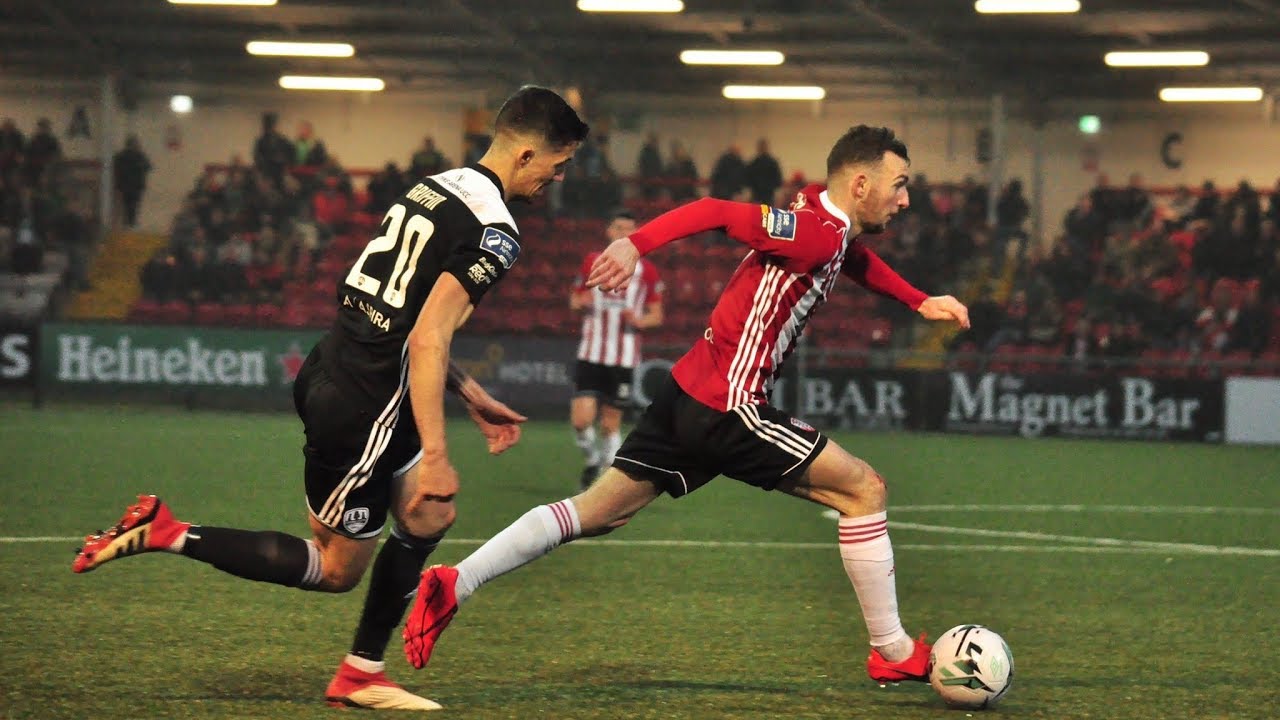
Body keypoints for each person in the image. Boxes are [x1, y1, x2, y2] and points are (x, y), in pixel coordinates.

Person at [72, 86, 590, 711]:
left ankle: (362, 670)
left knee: (428, 517)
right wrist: (436, 451)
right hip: (368, 404)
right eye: (559, 165)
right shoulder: (497, 231)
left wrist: (469, 391)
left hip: (338, 365)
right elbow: (427, 334)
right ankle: (167, 532)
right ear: (529, 154)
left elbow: (394, 310)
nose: (557, 179)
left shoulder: (435, 185)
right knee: (337, 567)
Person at [402, 126, 971, 692]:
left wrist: (919, 300)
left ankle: (456, 580)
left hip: (686, 395)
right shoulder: (815, 232)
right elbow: (715, 209)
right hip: (730, 406)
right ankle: (891, 650)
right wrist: (634, 243)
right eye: (899, 185)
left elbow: (852, 260)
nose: (905, 200)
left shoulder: (824, 226)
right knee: (864, 490)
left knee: (597, 512)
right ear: (862, 182)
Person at [569, 209, 664, 489]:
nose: (625, 234)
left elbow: (656, 316)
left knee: (610, 424)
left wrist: (639, 320)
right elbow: (575, 300)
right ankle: (592, 459)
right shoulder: (591, 261)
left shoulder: (647, 269)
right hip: (591, 354)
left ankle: (605, 481)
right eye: (620, 228)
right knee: (581, 422)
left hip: (623, 358)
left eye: (630, 229)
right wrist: (581, 301)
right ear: (609, 231)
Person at [112, 135, 152, 228]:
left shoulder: (121, 156)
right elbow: (148, 166)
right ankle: (131, 223)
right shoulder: (139, 155)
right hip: (135, 185)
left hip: (126, 185)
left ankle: (127, 222)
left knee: (127, 205)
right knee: (133, 205)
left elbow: (117, 169)